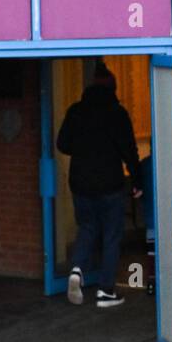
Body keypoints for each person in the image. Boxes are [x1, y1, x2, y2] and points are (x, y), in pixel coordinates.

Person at [56, 62, 142, 308]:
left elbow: (62, 144)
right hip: (110, 184)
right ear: (113, 89)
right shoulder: (117, 113)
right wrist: (137, 181)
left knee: (87, 227)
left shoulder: (76, 111)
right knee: (112, 236)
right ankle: (105, 291)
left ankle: (77, 269)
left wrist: (83, 149)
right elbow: (130, 151)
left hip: (80, 183)